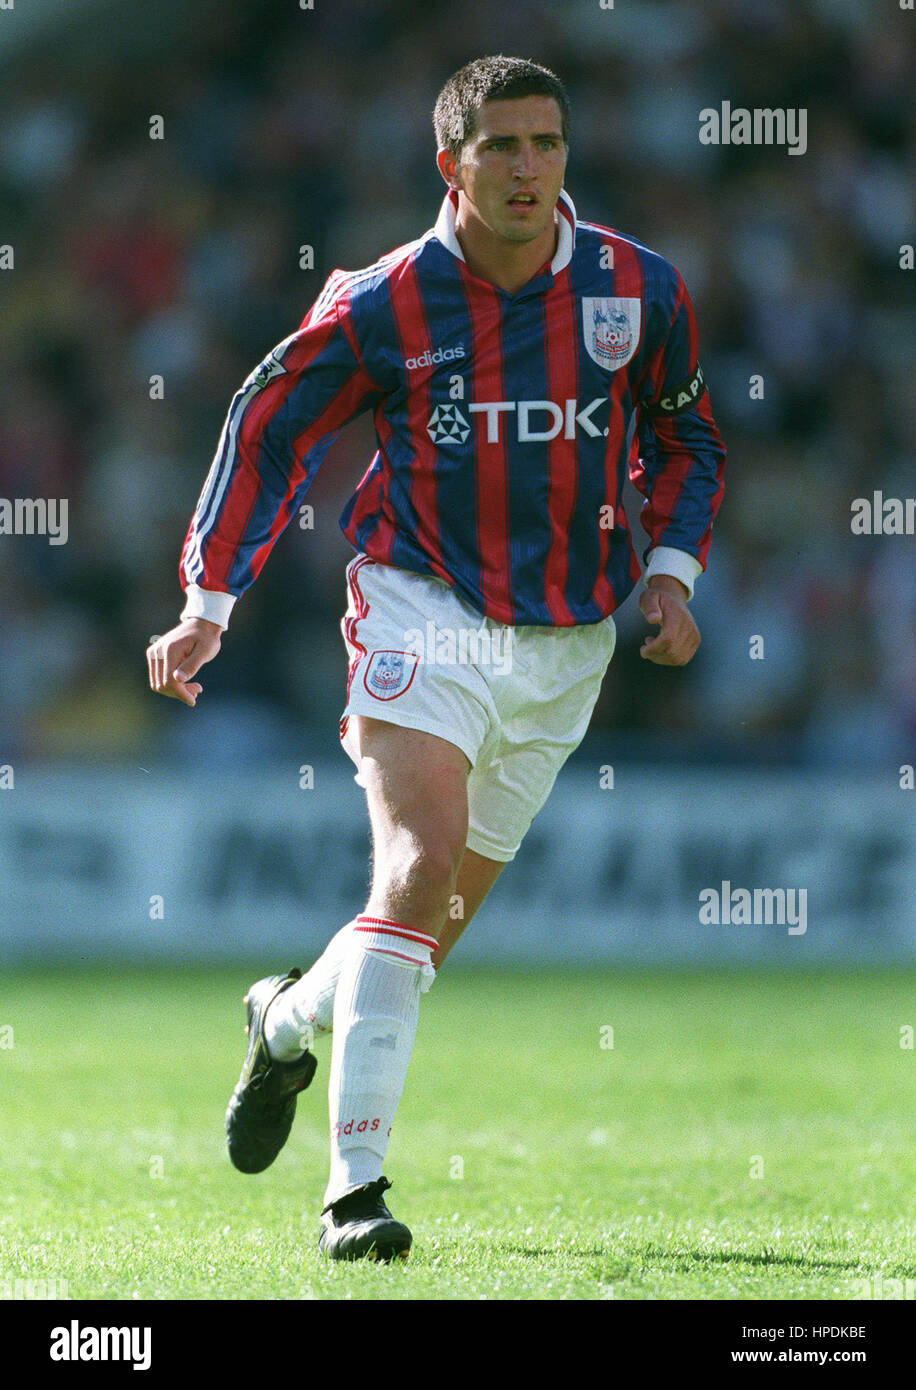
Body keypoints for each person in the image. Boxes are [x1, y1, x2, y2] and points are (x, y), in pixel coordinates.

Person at [146, 54, 726, 1262]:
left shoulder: (637, 288)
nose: (527, 168)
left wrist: (671, 571)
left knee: (413, 939)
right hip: (421, 607)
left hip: (568, 644)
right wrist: (212, 596)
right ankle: (354, 1193)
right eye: (501, 146)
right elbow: (267, 425)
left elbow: (687, 436)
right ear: (448, 162)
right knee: (414, 870)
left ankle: (284, 1022)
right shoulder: (383, 300)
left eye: (546, 144)